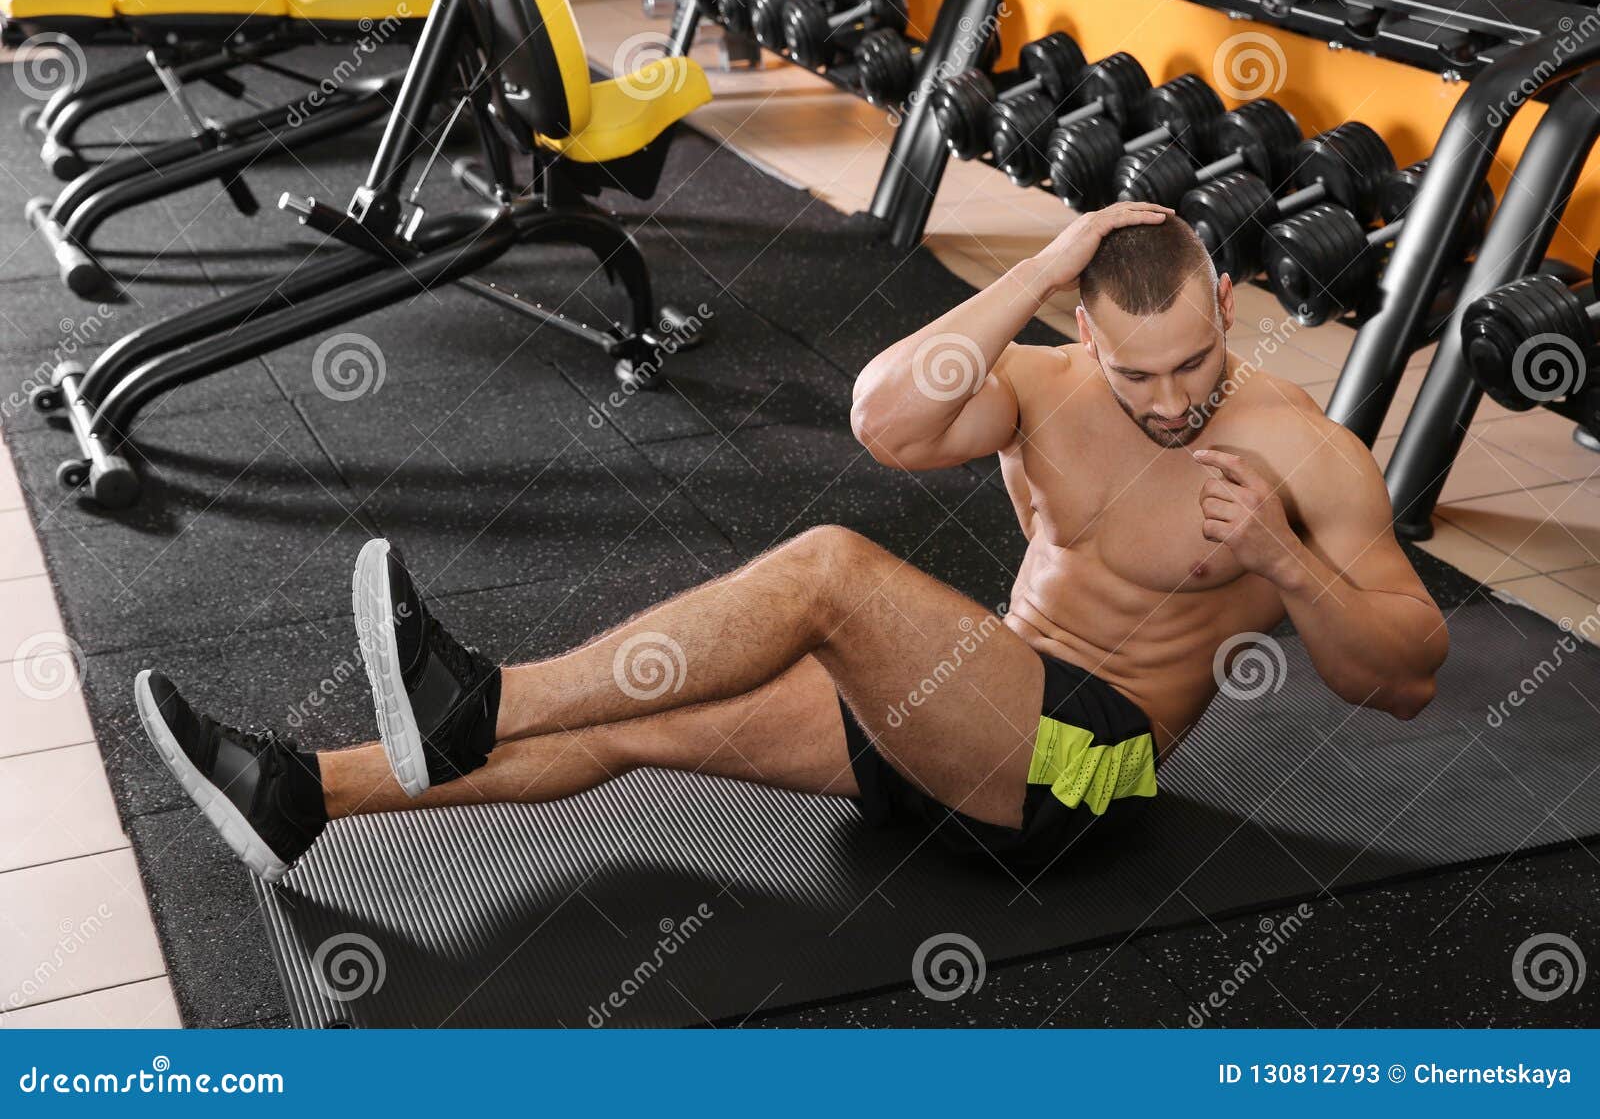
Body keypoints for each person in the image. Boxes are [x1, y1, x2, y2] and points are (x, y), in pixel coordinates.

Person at [137, 202, 1448, 882]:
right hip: (967, 717)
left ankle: (478, 700)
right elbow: (883, 416)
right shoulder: (1043, 382)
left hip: (1079, 769)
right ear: (1084, 332)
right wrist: (1037, 270)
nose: (1170, 402)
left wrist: (1281, 556)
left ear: (1228, 306)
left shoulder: (1304, 452)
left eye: (1194, 360)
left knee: (826, 568)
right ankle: (304, 795)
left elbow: (1405, 669)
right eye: (1134, 370)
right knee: (653, 705)